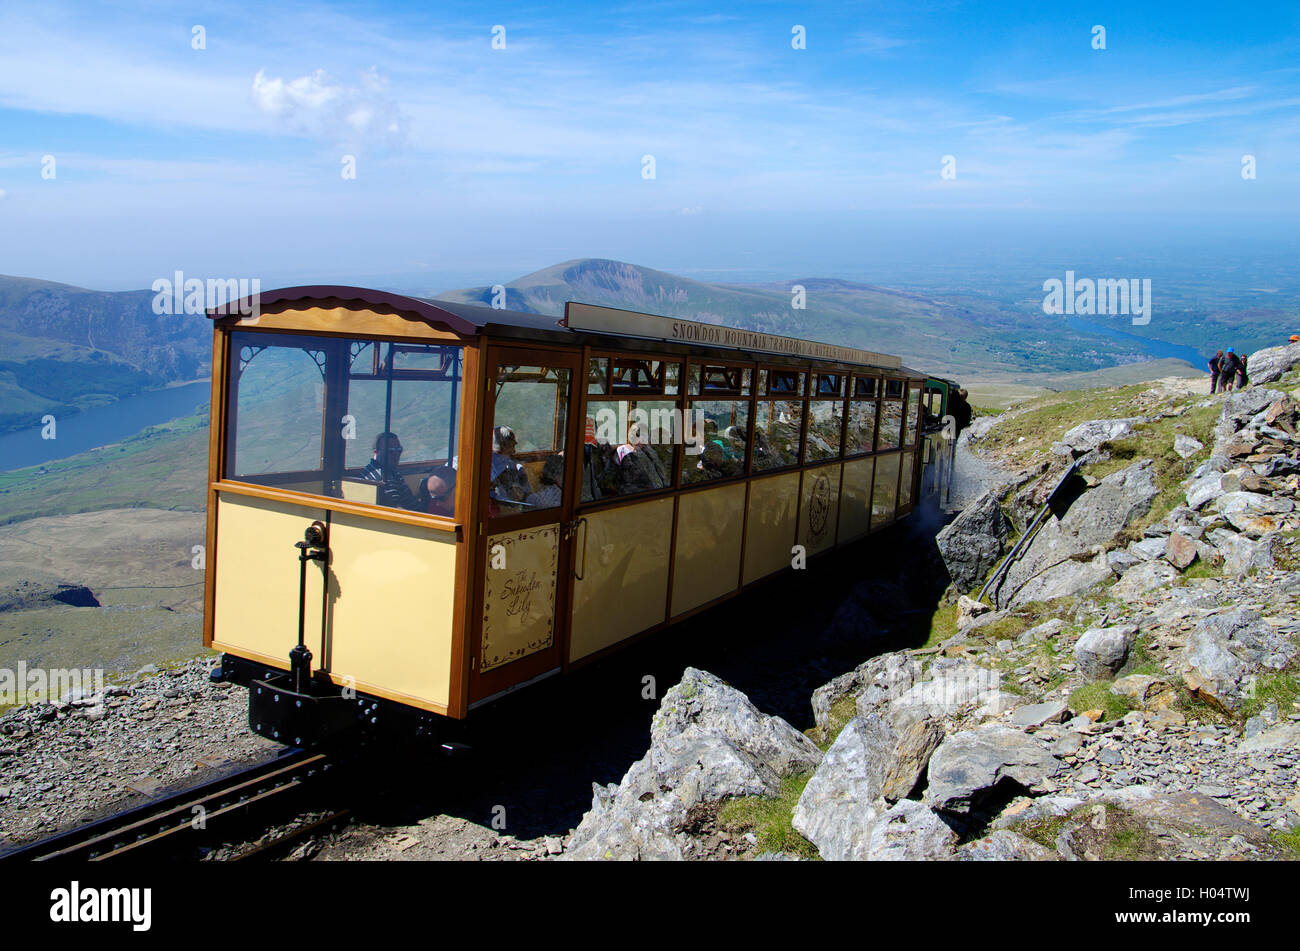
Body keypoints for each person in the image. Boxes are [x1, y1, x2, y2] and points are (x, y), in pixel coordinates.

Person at [362, 431, 419, 510]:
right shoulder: (377, 476)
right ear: (376, 452)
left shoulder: (392, 470)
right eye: (390, 450)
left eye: (399, 449)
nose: (396, 454)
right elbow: (395, 509)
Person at [488, 425, 531, 502]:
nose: (514, 451)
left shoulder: (517, 469)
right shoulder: (485, 469)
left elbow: (527, 496)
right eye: (511, 446)